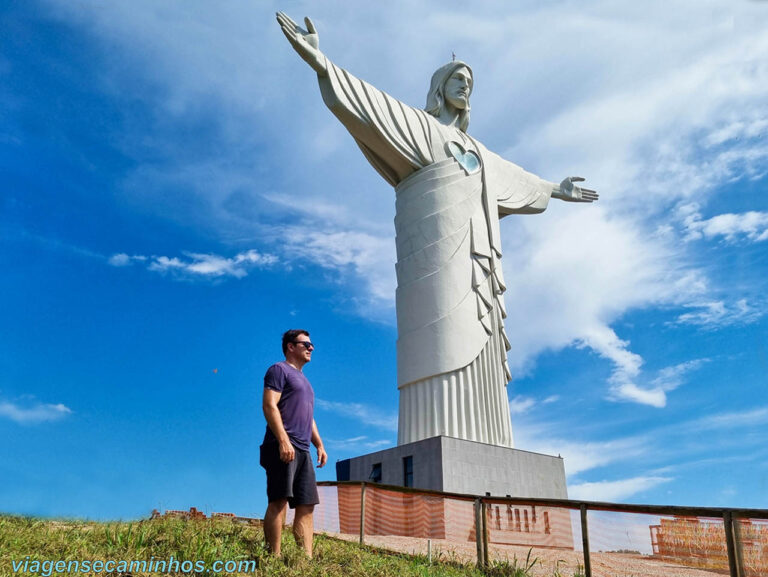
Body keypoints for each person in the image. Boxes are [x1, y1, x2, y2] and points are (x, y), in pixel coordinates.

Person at [276, 13, 598, 449]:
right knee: (438, 343)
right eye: (458, 78)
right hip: (433, 264)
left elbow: (518, 179)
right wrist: (322, 63)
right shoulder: (420, 127)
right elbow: (369, 106)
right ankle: (432, 438)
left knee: (479, 341)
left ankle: (492, 443)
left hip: (476, 262)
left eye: (470, 81)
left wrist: (555, 190)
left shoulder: (480, 154)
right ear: (440, 87)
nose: (465, 86)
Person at [260, 329, 327, 558]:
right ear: (291, 346)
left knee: (306, 506)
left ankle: (305, 561)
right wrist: (283, 441)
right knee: (279, 501)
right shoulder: (278, 370)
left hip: (303, 449)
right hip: (282, 445)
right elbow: (269, 405)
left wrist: (319, 444)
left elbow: (309, 416)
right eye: (305, 344)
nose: (311, 348)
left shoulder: (306, 382)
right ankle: (273, 558)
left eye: (311, 344)